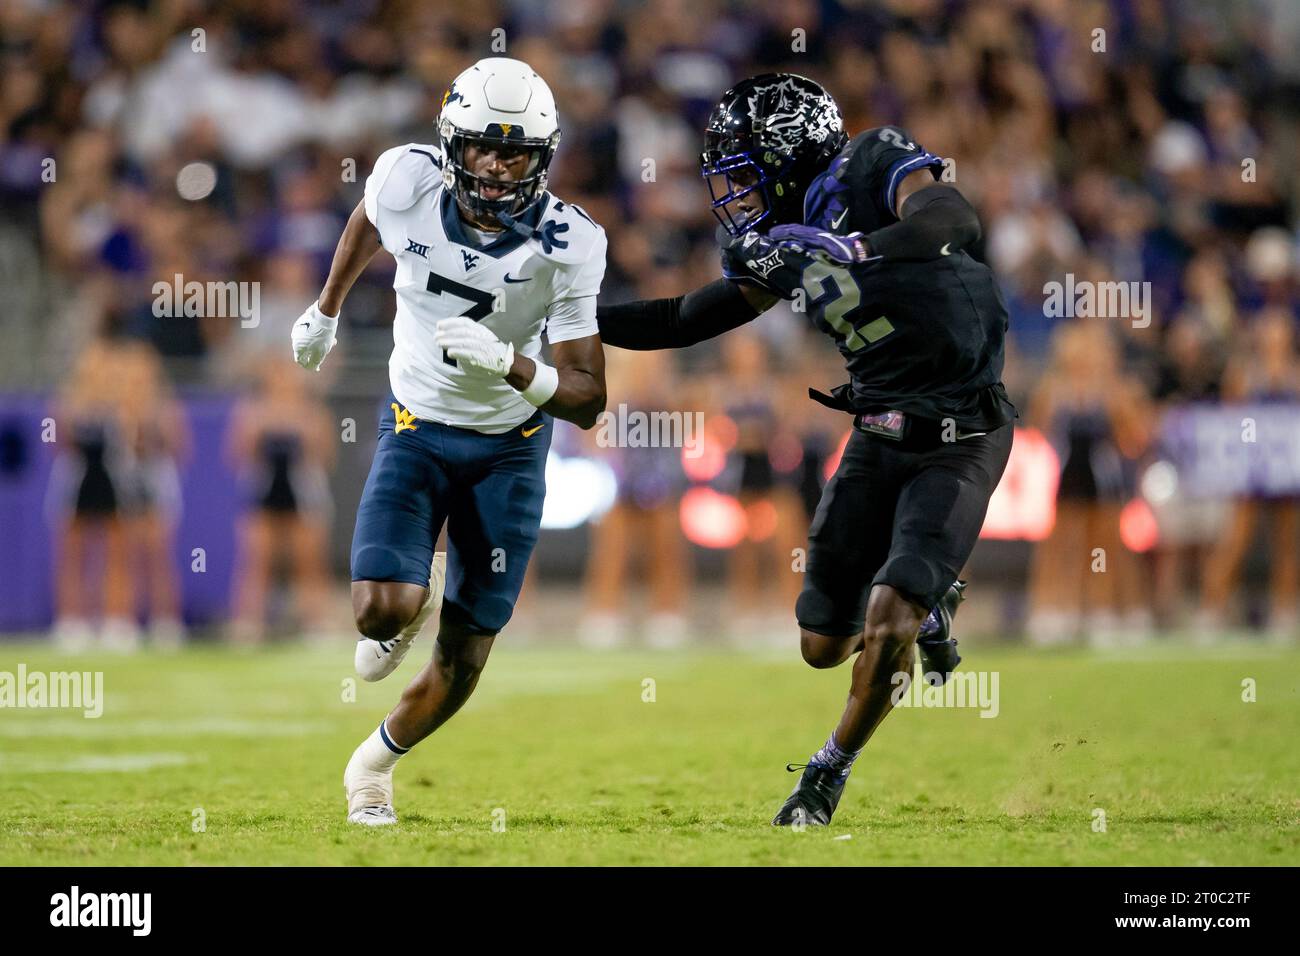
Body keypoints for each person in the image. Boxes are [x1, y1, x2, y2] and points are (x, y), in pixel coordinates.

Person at [596, 73, 1014, 826]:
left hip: (962, 430)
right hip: (878, 430)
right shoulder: (771, 245)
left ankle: (826, 773)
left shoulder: (870, 161)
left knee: (889, 612)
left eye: (743, 170)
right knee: (823, 643)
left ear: (787, 155)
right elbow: (685, 319)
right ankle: (929, 604)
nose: (731, 191)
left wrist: (851, 247)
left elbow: (953, 217)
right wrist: (566, 321)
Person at [290, 58, 608, 825]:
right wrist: (327, 309)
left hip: (509, 444)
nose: (497, 167)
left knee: (465, 657)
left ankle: (372, 765)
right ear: (449, 145)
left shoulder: (569, 241)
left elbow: (589, 398)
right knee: (378, 612)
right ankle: (411, 596)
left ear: (544, 158)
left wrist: (511, 363)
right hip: (417, 426)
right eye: (482, 148)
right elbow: (369, 217)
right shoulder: (405, 181)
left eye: (517, 153)